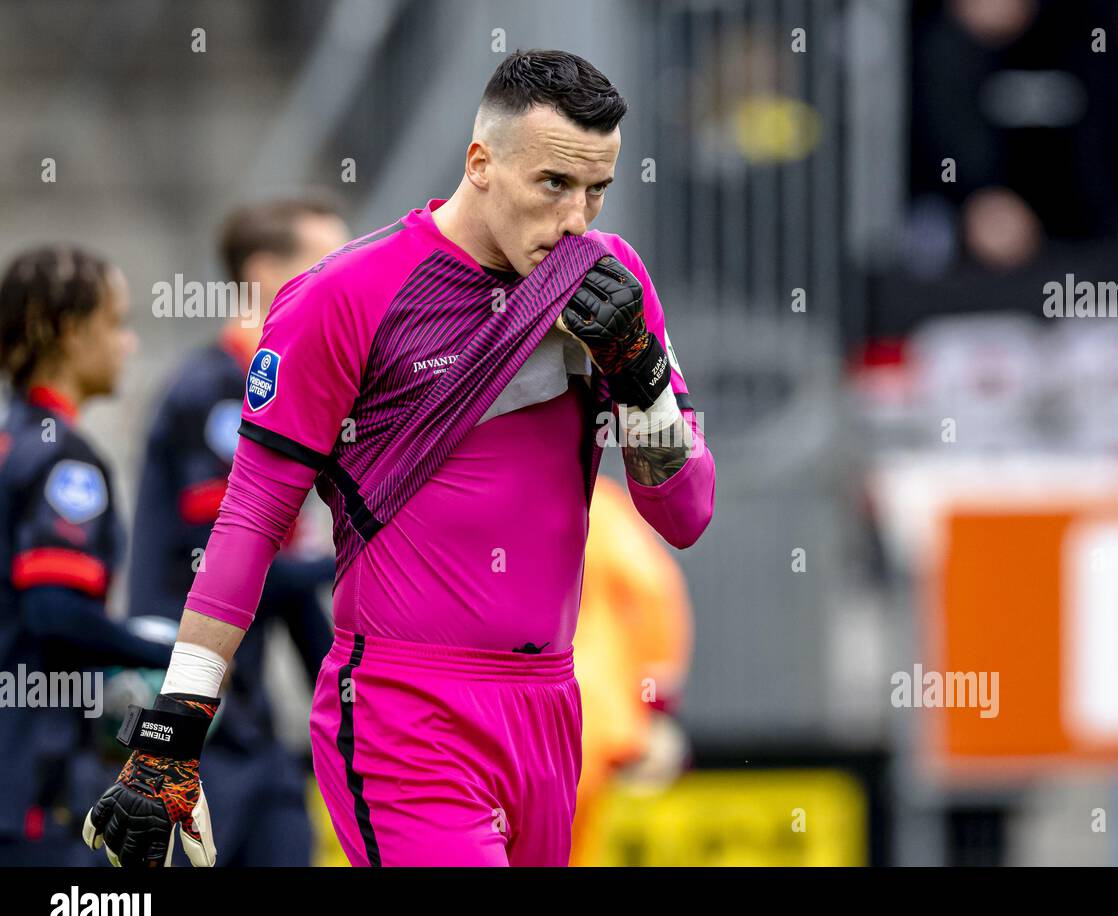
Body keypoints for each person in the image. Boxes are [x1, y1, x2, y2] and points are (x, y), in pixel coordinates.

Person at [84, 48, 716, 868]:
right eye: (553, 185)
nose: (574, 220)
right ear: (480, 163)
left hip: (552, 711)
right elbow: (249, 522)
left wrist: (646, 385)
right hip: (402, 709)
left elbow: (686, 513)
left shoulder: (609, 282)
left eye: (596, 190)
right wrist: (175, 727)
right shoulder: (343, 297)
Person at [108, 198, 349, 866]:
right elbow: (227, 562)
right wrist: (361, 556)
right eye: (326, 262)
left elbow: (285, 579)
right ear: (267, 272)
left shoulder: (289, 387)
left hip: (249, 720)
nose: (347, 278)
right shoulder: (215, 390)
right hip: (188, 718)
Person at [0, 245, 174, 865]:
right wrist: (174, 657)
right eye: (116, 323)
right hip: (26, 790)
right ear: (71, 333)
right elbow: (53, 612)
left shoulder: (12, 441)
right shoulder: (64, 462)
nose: (127, 343)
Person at [569, 474, 694, 865]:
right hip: (596, 716)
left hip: (500, 710)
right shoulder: (600, 504)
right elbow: (651, 588)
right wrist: (656, 704)